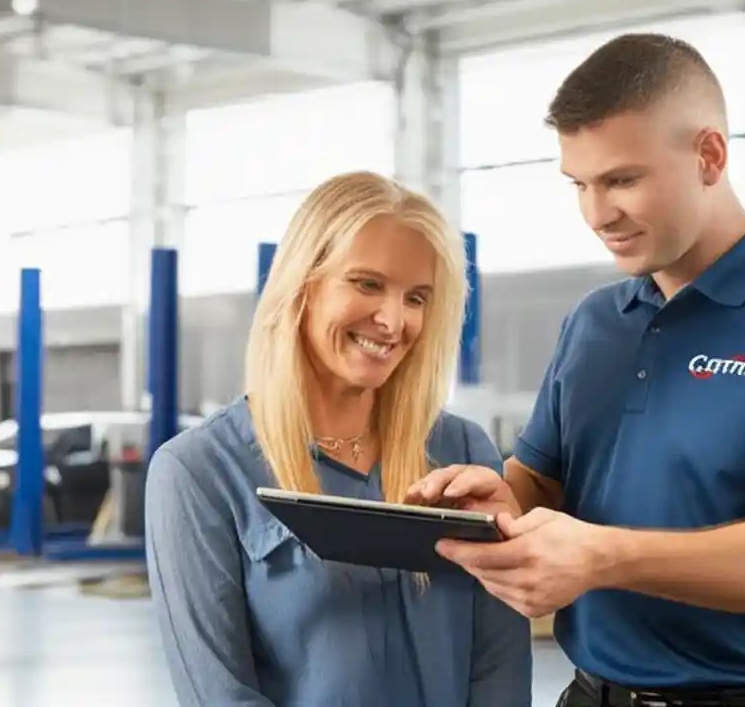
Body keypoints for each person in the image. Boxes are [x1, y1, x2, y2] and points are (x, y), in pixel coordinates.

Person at [406, 33, 745, 707]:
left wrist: (605, 557)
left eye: (622, 180)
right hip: (591, 695)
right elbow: (543, 489)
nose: (596, 213)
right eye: (579, 185)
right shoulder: (594, 321)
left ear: (710, 155)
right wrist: (499, 506)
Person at [144, 171, 533, 707]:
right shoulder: (200, 471)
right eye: (367, 284)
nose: (393, 321)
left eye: (416, 298)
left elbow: (500, 669)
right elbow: (219, 693)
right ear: (303, 285)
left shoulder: (463, 453)